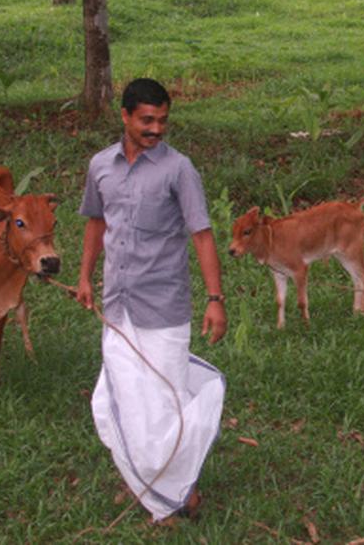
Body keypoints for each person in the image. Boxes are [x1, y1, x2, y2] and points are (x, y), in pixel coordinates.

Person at [75, 78, 228, 522]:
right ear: (123, 116)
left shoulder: (179, 170)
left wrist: (215, 299)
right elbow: (95, 224)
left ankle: (183, 490)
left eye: (162, 120)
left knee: (165, 403)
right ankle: (148, 484)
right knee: (124, 399)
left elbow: (201, 235)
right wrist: (85, 276)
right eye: (146, 119)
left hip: (164, 308)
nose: (156, 128)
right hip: (118, 306)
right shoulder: (100, 165)